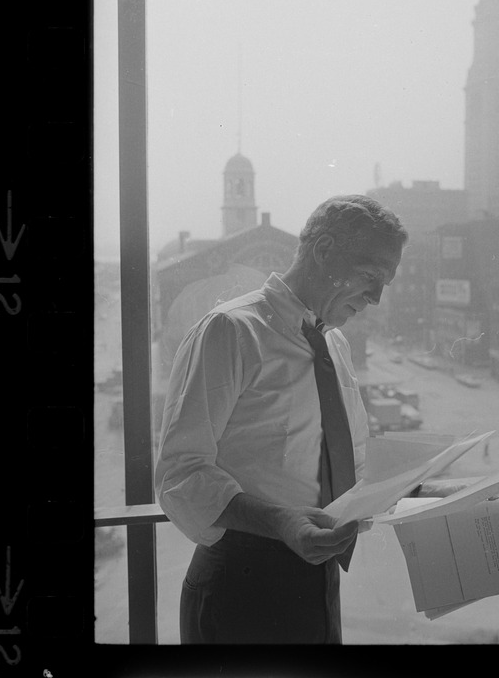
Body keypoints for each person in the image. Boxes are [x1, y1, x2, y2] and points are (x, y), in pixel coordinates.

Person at [154, 194, 408, 644]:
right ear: (323, 250)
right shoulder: (229, 332)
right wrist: (283, 522)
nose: (376, 298)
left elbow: (345, 461)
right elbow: (180, 475)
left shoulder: (335, 345)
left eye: (385, 282)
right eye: (370, 276)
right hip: (240, 588)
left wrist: (425, 488)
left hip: (318, 580)